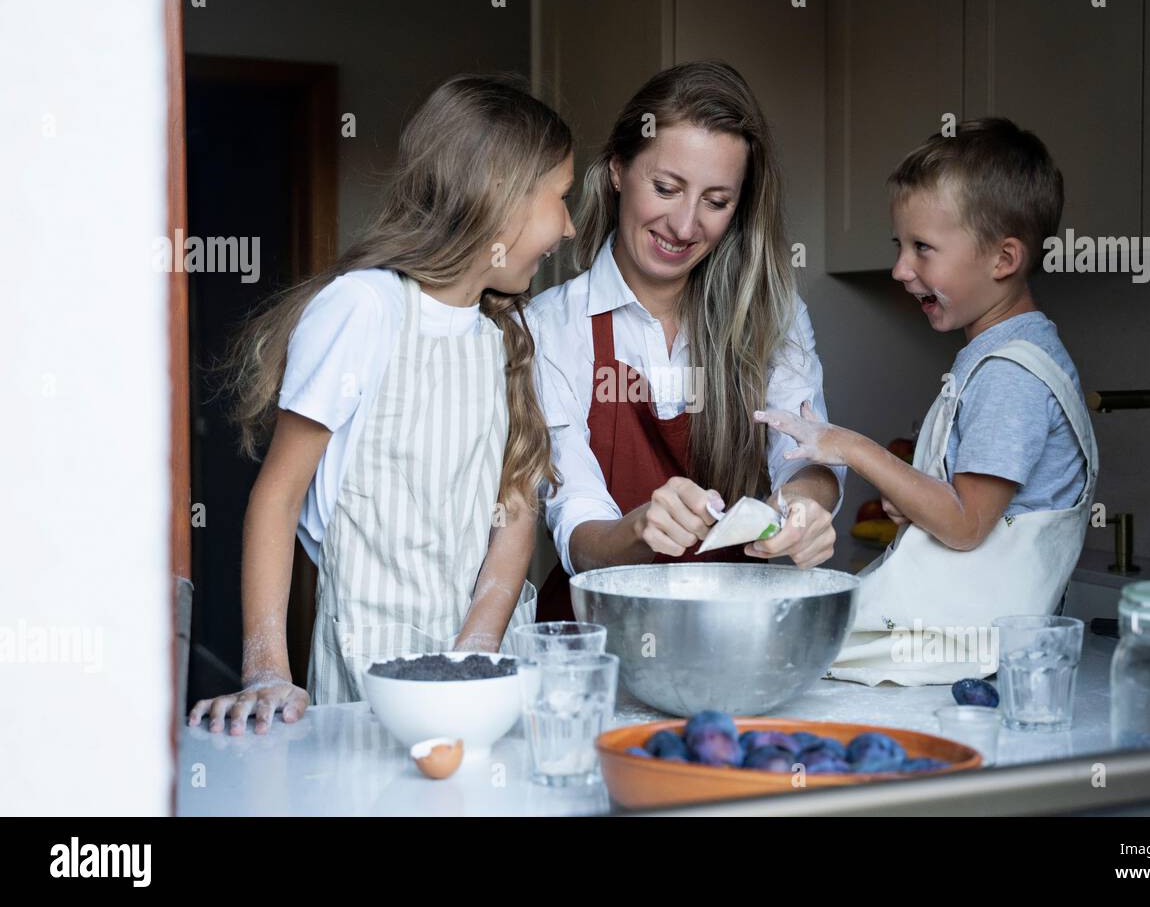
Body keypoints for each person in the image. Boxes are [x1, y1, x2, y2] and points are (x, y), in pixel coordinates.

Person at [188, 75, 574, 733]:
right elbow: (277, 498)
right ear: (501, 201)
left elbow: (514, 521)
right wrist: (267, 670)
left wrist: (472, 661)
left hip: (487, 694)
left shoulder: (503, 336)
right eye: (560, 200)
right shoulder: (365, 309)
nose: (568, 228)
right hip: (369, 693)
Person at [757, 117, 1098, 685]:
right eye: (900, 245)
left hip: (966, 652)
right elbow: (962, 508)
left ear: (1003, 259)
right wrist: (916, 503)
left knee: (787, 654)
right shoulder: (1002, 356)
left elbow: (965, 527)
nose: (900, 268)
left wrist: (850, 447)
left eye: (923, 249)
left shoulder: (1011, 375)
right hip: (968, 645)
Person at [529, 61, 844, 622]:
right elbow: (577, 530)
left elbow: (807, 458)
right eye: (667, 188)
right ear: (619, 170)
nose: (683, 225)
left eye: (716, 201)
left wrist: (802, 512)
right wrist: (638, 528)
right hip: (588, 644)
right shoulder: (551, 327)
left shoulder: (774, 316)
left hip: (736, 633)